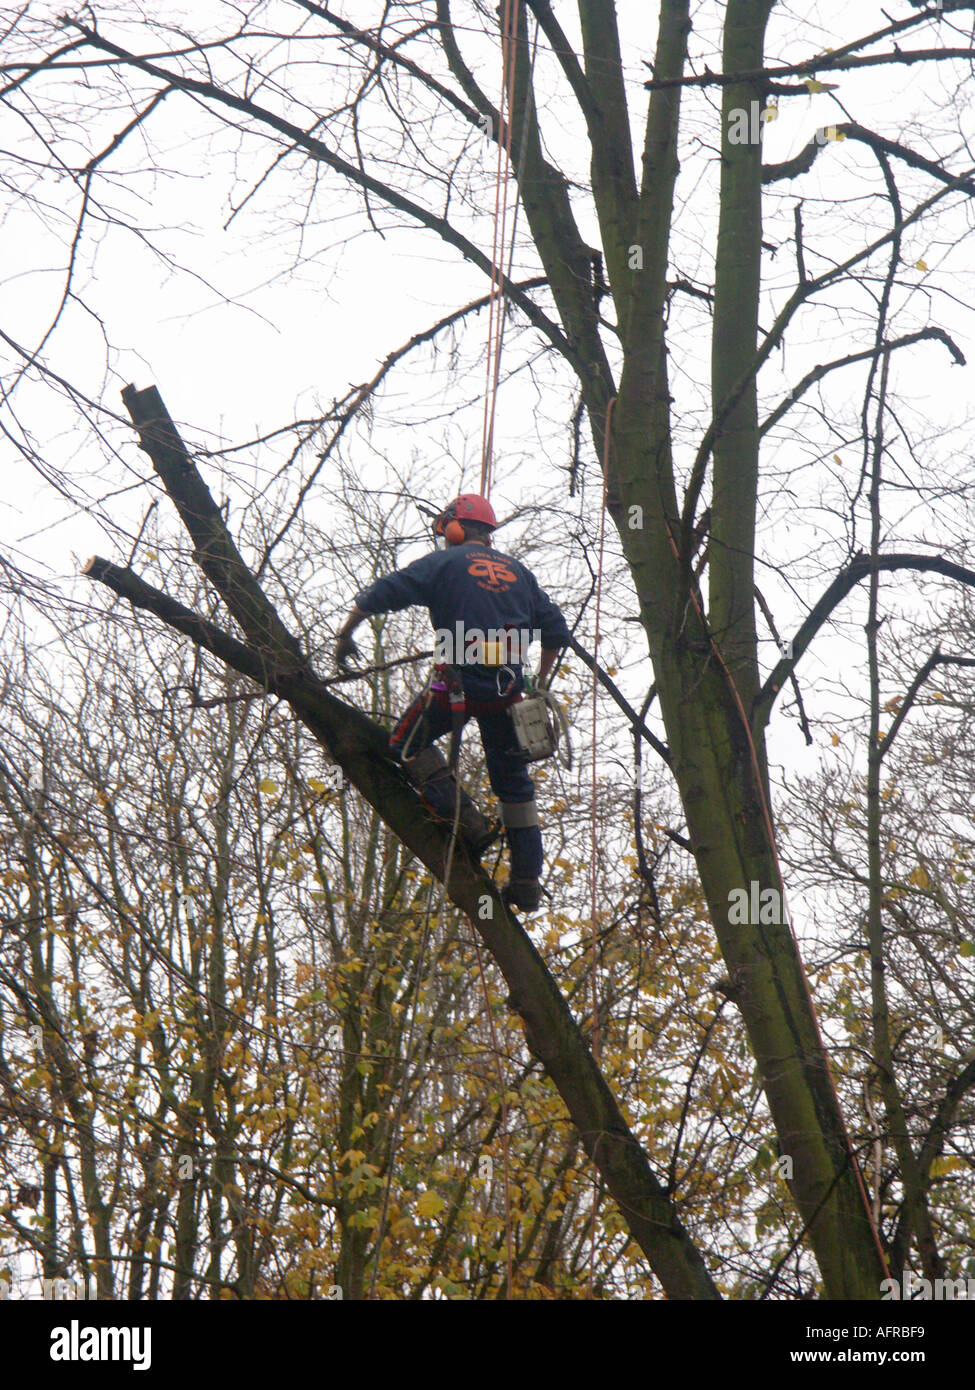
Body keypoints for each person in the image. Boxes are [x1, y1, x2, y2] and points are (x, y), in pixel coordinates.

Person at [334, 493, 570, 911]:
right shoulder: (521, 574)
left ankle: (467, 821)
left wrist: (346, 633)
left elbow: (380, 594)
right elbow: (557, 632)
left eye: (447, 531)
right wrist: (540, 684)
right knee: (515, 788)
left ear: (456, 529)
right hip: (508, 695)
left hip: (458, 688)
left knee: (405, 743)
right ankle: (527, 881)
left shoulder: (441, 564)